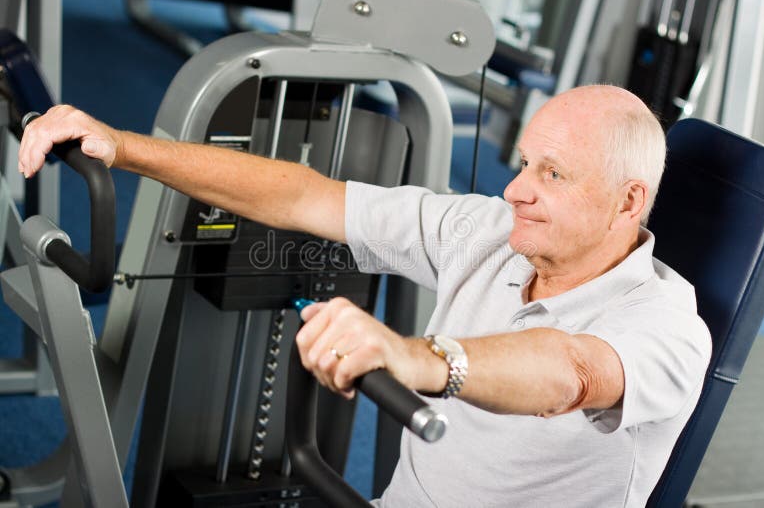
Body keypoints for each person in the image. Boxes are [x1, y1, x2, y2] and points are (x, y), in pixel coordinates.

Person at [18, 84, 711, 507]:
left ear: (628, 202)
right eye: (524, 162)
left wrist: (419, 359)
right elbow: (306, 195)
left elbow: (572, 372)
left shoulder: (668, 325)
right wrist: (123, 147)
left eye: (552, 174)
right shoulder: (493, 232)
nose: (515, 189)